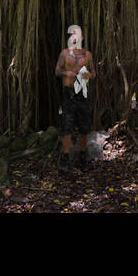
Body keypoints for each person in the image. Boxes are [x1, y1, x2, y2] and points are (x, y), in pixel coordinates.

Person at [55, 24, 95, 171]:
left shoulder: (87, 54)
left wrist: (88, 75)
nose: (74, 37)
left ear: (81, 38)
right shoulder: (64, 53)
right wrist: (67, 73)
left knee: (84, 126)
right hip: (68, 93)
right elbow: (57, 70)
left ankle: (82, 156)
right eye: (72, 34)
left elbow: (93, 73)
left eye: (76, 34)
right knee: (67, 126)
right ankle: (65, 157)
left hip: (82, 95)